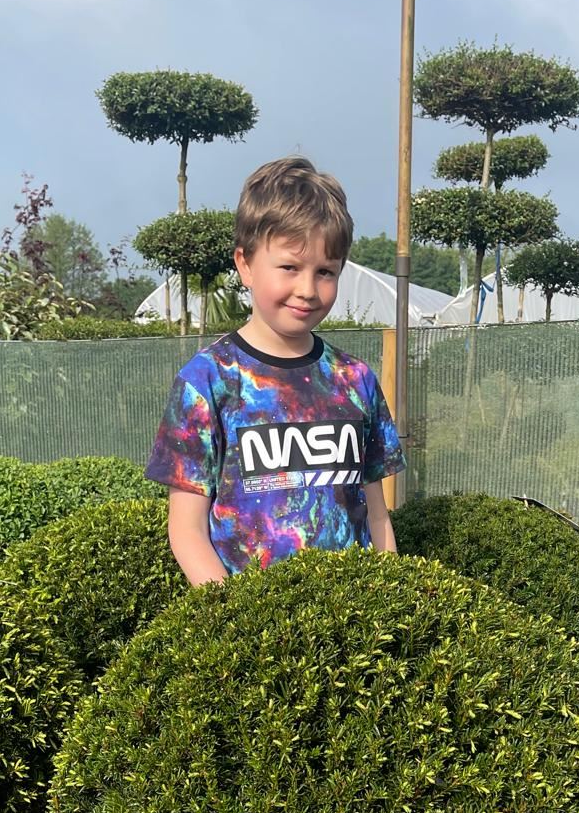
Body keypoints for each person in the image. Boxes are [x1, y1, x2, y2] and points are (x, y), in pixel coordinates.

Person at [145, 155, 405, 585]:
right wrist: (231, 618)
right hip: (253, 635)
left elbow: (376, 516)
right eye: (289, 267)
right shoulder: (207, 380)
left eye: (326, 272)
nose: (307, 289)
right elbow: (186, 529)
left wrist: (392, 599)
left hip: (354, 628)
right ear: (245, 264)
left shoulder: (355, 380)